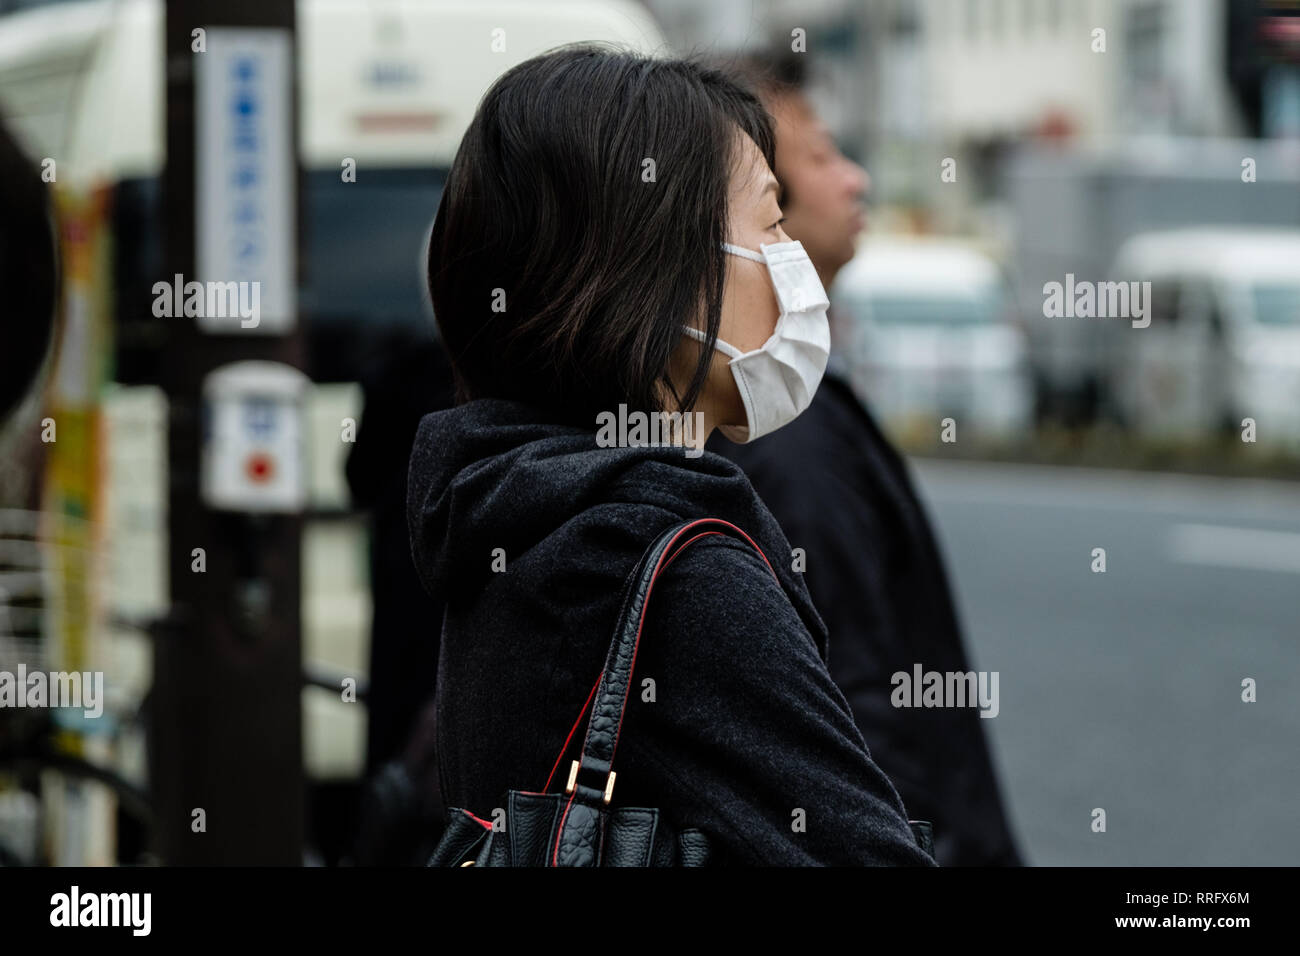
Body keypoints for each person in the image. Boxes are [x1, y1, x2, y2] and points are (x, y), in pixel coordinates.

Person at [406, 45, 935, 865]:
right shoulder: (682, 571)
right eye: (770, 224)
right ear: (656, 267)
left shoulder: (508, 508)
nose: (794, 267)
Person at [705, 52, 1024, 866]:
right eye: (816, 159)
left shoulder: (785, 405)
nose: (855, 181)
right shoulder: (774, 425)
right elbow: (857, 701)